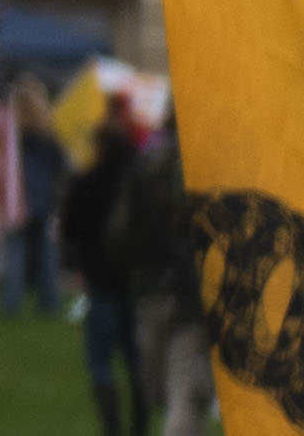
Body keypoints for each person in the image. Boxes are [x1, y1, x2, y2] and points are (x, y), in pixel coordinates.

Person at [116, 124, 215, 436]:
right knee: (181, 388)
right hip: (192, 292)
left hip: (154, 289)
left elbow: (119, 232)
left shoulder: (147, 166)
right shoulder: (214, 167)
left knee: (164, 384)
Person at [66, 112, 143, 436]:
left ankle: (110, 426)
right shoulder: (139, 183)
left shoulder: (86, 183)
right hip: (136, 284)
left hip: (100, 283)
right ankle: (139, 425)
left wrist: (76, 266)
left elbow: (69, 229)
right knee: (135, 360)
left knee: (100, 361)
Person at [10, 82, 72, 317]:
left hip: (18, 199)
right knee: (47, 255)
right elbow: (62, 167)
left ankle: (12, 302)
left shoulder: (13, 137)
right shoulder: (47, 137)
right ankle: (49, 301)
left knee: (16, 252)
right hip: (44, 199)